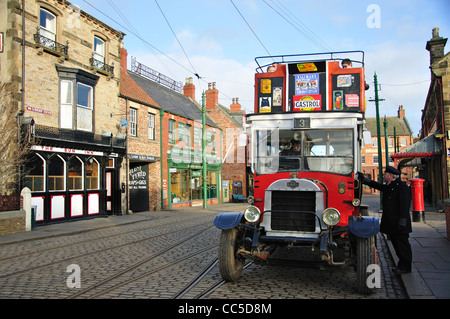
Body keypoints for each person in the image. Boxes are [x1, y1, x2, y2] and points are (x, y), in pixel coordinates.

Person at [359, 166, 412, 274]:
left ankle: (406, 266)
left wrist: (402, 221)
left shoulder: (401, 187)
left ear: (391, 176)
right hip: (392, 223)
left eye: (385, 174)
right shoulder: (390, 185)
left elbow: (405, 205)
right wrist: (365, 180)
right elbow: (379, 186)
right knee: (397, 245)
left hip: (399, 223)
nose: (383, 176)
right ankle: (401, 265)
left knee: (402, 245)